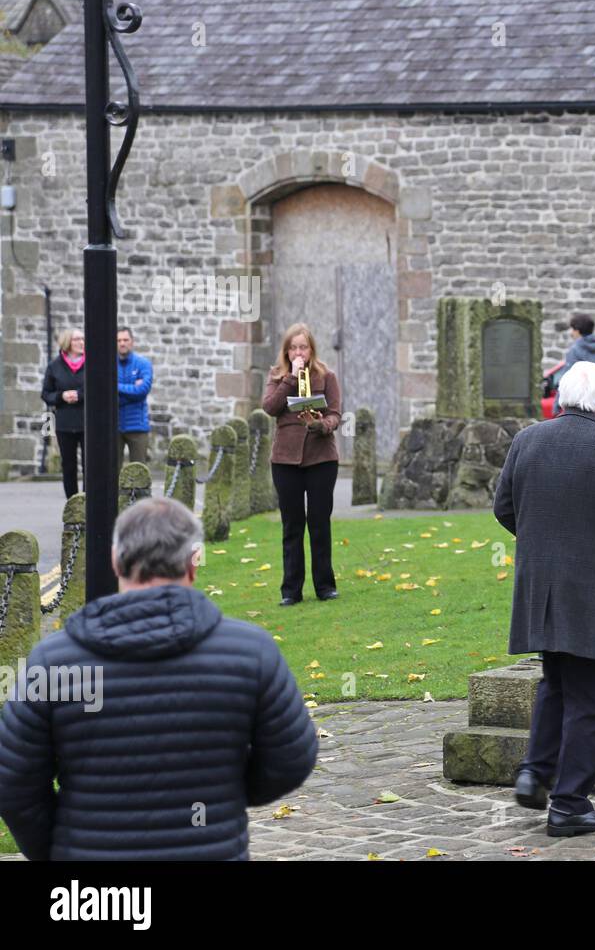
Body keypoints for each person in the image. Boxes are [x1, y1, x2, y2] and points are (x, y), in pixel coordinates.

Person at [0, 497, 319, 860]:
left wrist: (55, 848)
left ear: (116, 560)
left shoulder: (54, 662)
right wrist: (223, 793)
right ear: (193, 563)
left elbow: (14, 781)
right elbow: (291, 757)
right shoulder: (250, 651)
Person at [494, 361, 595, 837]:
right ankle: (568, 804)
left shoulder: (528, 440)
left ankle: (534, 771)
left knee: (557, 681)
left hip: (540, 587)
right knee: (588, 697)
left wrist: (540, 545)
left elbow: (504, 506)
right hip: (589, 588)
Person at [262, 322, 342, 606]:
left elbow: (335, 414)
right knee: (292, 525)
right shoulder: (276, 376)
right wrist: (290, 379)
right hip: (285, 460)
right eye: (293, 347)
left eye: (303, 347)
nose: (299, 352)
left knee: (319, 523)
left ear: (311, 349)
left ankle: (325, 586)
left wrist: (320, 425)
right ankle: (290, 590)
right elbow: (270, 407)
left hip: (321, 458)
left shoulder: (327, 376)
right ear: (287, 351)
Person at [40, 327, 86, 498]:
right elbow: (46, 394)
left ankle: (88, 503)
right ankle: (73, 504)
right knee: (69, 466)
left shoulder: (92, 363)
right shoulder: (54, 366)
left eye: (82, 339)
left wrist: (80, 395)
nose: (81, 342)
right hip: (65, 424)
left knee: (90, 466)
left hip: (87, 422)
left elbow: (98, 389)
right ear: (67, 342)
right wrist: (62, 396)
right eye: (77, 339)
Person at [117, 325, 153, 466]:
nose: (122, 343)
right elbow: (105, 392)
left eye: (125, 339)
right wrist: (133, 389)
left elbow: (142, 391)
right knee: (113, 473)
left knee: (139, 472)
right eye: (119, 340)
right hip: (115, 425)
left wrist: (116, 387)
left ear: (132, 341)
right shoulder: (109, 364)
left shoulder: (143, 364)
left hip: (137, 426)